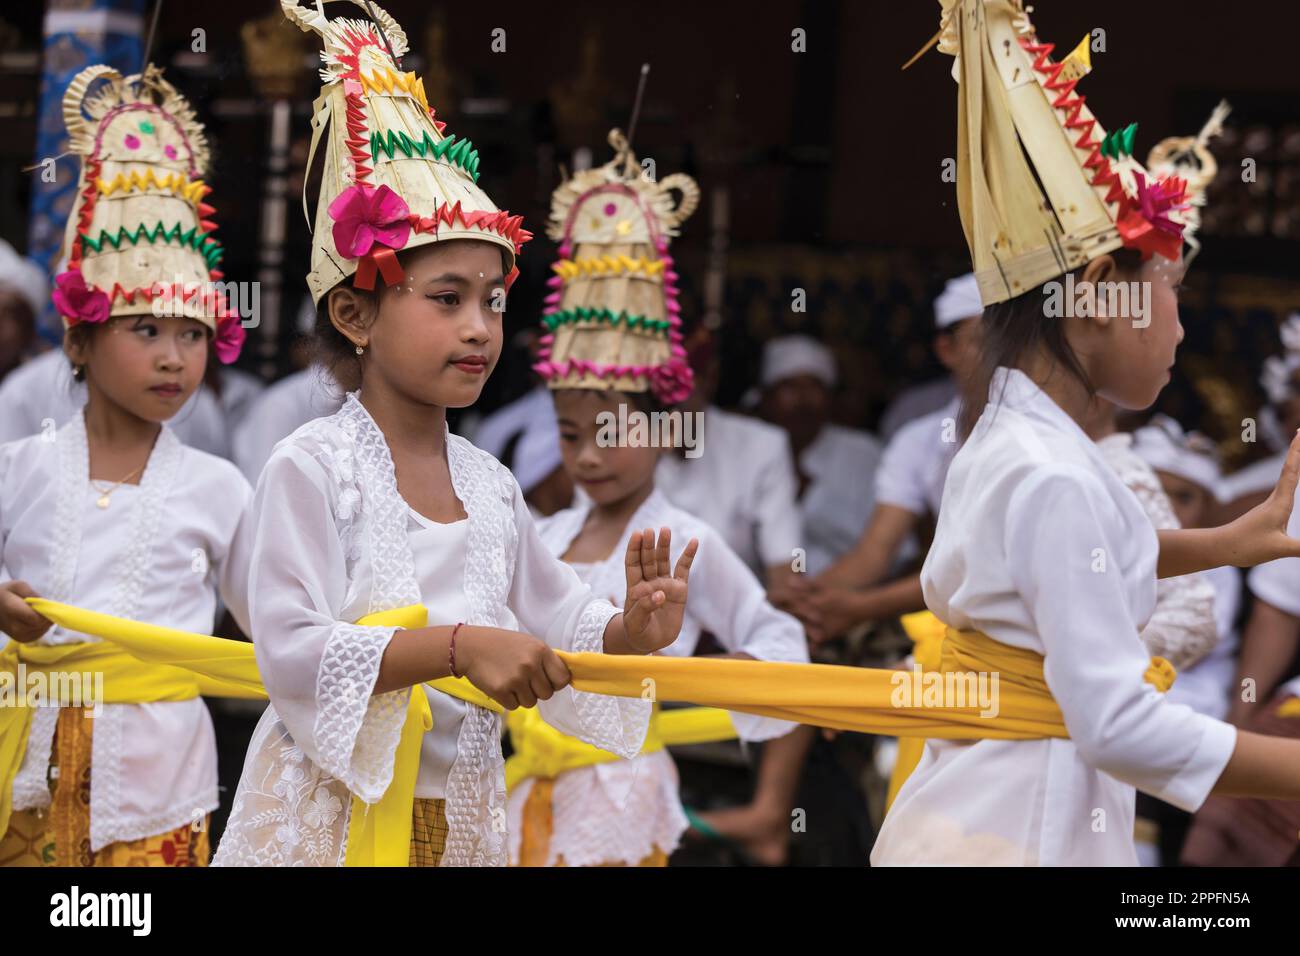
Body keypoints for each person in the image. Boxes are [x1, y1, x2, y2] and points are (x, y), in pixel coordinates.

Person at [213, 3, 697, 867]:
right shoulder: (312, 466)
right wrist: (459, 647)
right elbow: (289, 651)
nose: (480, 328)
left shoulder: (489, 483)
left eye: (495, 301)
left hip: (459, 828)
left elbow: (562, 622)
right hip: (332, 825)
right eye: (447, 299)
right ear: (356, 313)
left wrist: (631, 634)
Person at [874, 0, 1300, 865]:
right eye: (1171, 291)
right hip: (1017, 828)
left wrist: (1222, 543)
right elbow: (1117, 726)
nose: (1180, 328)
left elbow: (1067, 557)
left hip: (986, 811)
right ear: (1102, 286)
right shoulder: (1051, 471)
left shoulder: (1011, 436)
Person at [509, 134, 809, 867]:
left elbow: (779, 639)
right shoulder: (543, 534)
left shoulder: (681, 540)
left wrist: (717, 683)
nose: (587, 455)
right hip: (519, 788)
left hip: (620, 793)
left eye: (611, 433)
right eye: (570, 434)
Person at [0, 63, 251, 867]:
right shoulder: (22, 467)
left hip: (158, 793)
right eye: (145, 330)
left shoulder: (221, 489)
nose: (175, 358)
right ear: (78, 340)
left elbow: (280, 620)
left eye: (192, 334)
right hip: (21, 773)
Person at [754, 335, 882, 578]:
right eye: (789, 387)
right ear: (766, 398)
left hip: (855, 598)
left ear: (831, 397)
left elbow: (899, 551)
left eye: (814, 386)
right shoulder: (749, 452)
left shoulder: (864, 454)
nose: (803, 400)